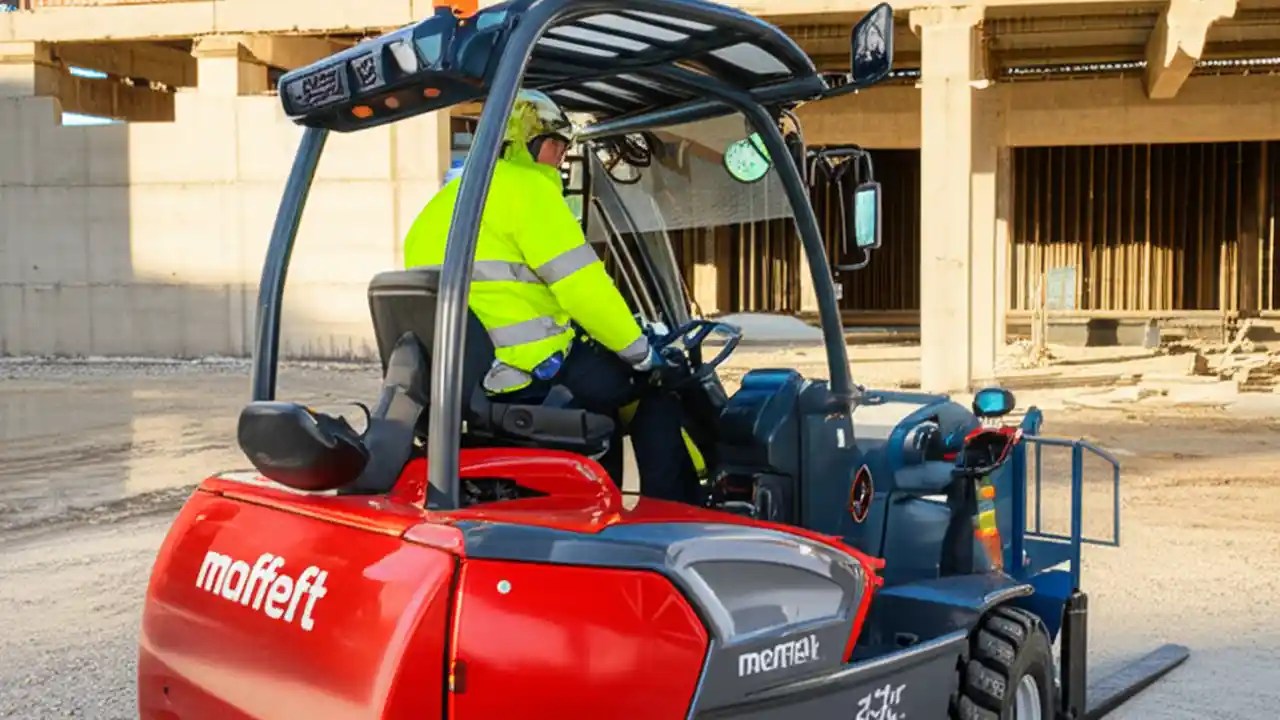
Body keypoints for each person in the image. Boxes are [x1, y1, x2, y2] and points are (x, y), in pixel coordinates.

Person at [402, 89, 700, 503]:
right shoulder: (529, 191)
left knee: (612, 384)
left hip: (471, 382)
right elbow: (583, 289)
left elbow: (509, 294)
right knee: (654, 387)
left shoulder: (444, 203)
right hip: (530, 374)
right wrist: (641, 352)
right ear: (525, 144)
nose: (560, 156)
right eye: (555, 144)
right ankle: (675, 513)